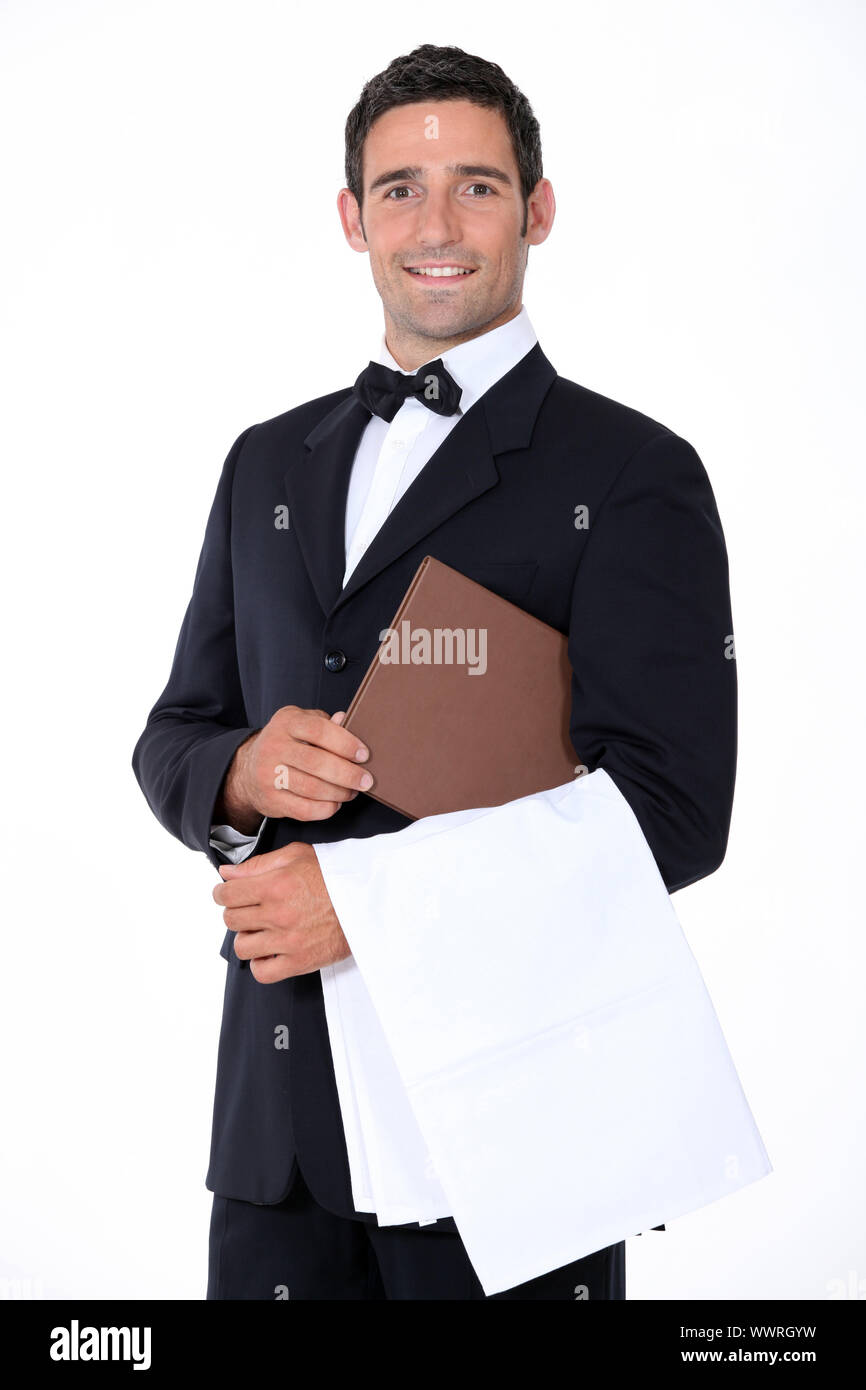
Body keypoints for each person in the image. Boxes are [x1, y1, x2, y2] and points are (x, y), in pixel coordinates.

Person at [132, 43, 737, 1300]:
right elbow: (177, 732)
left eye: (477, 185)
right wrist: (237, 777)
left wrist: (370, 906)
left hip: (505, 1144)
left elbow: (674, 816)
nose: (437, 224)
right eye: (400, 190)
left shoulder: (632, 473)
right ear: (352, 219)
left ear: (538, 208)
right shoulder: (266, 463)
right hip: (278, 1140)